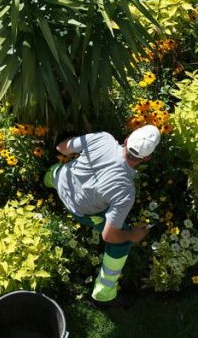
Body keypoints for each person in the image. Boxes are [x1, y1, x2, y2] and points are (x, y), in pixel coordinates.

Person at [44, 125, 162, 309]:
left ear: (126, 140)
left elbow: (61, 148)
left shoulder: (103, 138)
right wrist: (133, 235)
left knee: (54, 172)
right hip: (80, 209)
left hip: (60, 179)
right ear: (147, 157)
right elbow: (109, 235)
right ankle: (104, 294)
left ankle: (43, 182)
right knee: (121, 241)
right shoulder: (125, 191)